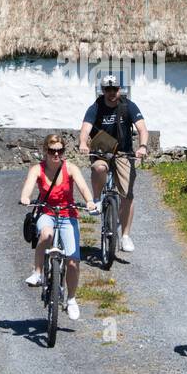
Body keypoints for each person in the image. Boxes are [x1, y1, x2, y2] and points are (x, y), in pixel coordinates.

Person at [19, 133, 97, 320]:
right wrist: (25, 197)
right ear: (46, 151)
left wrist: (89, 201)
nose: (56, 155)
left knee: (72, 261)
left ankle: (71, 299)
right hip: (47, 212)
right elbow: (28, 187)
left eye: (60, 151)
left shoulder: (70, 168)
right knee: (46, 235)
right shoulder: (37, 169)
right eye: (52, 151)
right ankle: (37, 273)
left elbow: (83, 187)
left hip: (67, 214)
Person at [79, 74, 148, 252]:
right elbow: (86, 128)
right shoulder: (96, 107)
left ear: (120, 89)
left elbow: (142, 128)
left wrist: (142, 146)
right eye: (107, 89)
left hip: (124, 152)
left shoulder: (128, 106)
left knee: (127, 195)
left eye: (114, 89)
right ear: (102, 91)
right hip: (102, 150)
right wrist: (82, 143)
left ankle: (125, 235)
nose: (111, 93)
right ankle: (96, 199)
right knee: (99, 168)